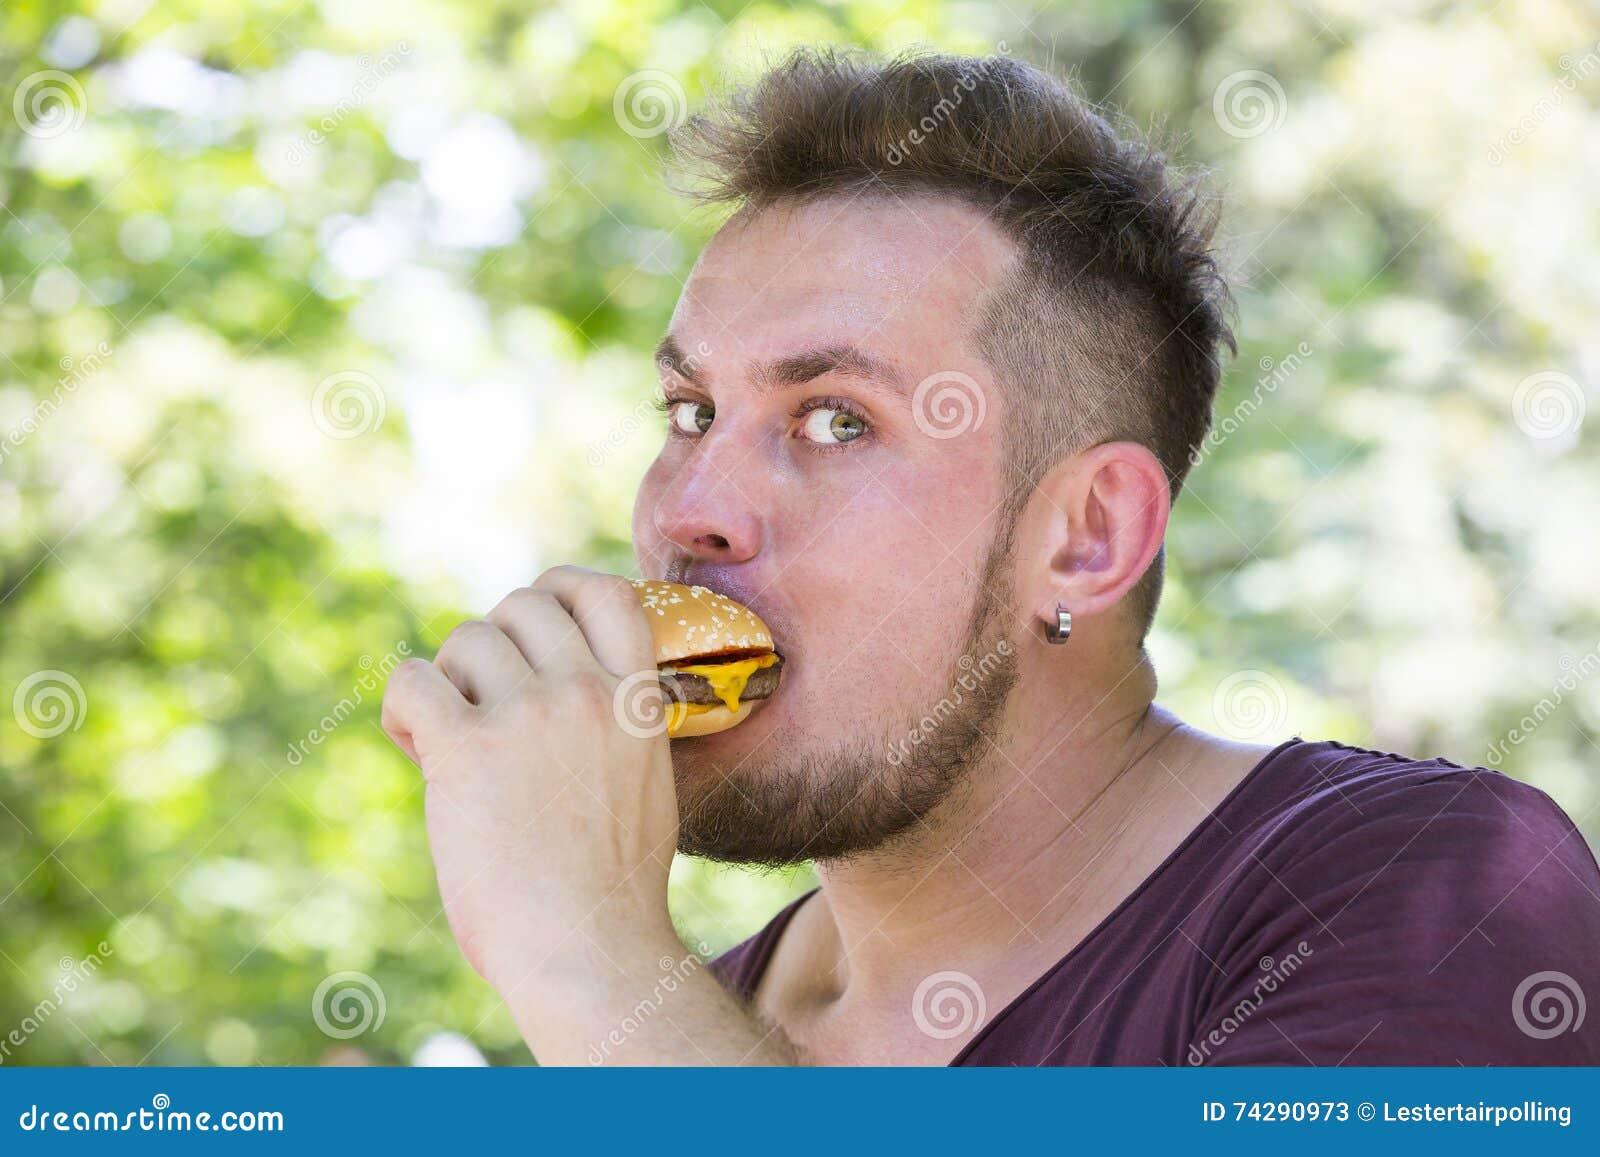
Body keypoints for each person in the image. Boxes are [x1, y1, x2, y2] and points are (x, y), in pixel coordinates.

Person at [380, 48, 1600, 1065]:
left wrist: (581, 949)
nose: (690, 511)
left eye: (835, 420)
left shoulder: (1428, 886)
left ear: (1086, 536)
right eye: (692, 411)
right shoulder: (677, 1025)